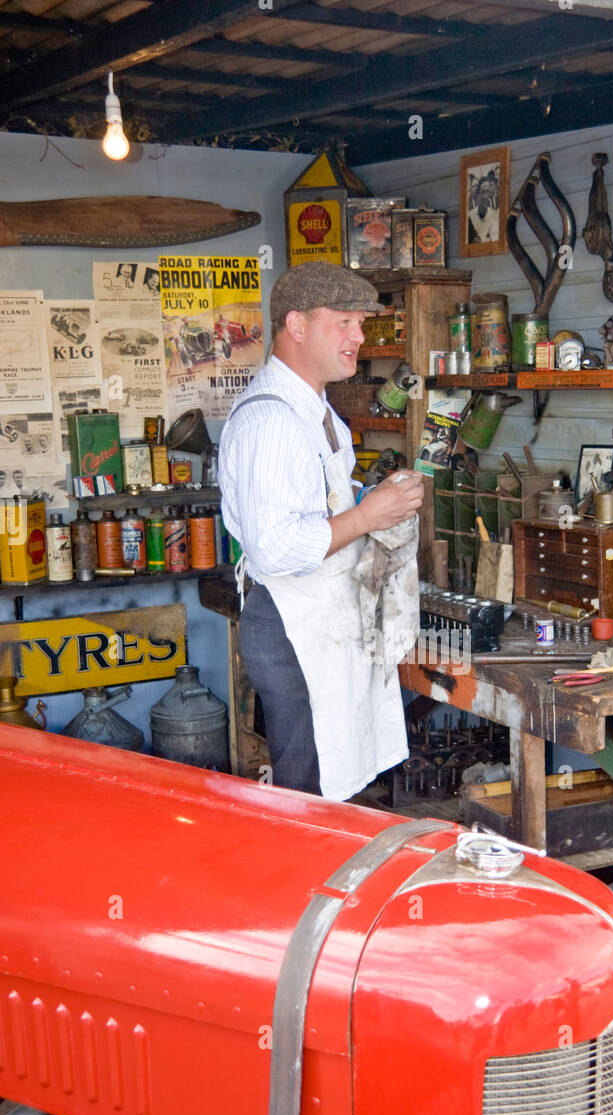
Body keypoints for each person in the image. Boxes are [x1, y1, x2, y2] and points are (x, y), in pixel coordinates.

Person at [218, 262, 424, 801]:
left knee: (336, 777)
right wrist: (368, 516)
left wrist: (374, 500)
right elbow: (277, 546)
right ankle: (306, 885)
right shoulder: (274, 421)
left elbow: (316, 507)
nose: (360, 336)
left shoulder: (314, 410)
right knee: (309, 789)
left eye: (361, 323)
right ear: (298, 325)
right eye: (345, 322)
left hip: (318, 617)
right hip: (292, 625)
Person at [468, 176, 498, 244]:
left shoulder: (494, 215)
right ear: (478, 193)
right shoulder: (470, 215)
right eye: (483, 192)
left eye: (487, 192)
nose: (485, 196)